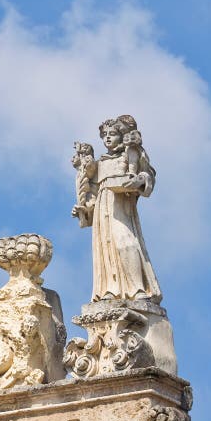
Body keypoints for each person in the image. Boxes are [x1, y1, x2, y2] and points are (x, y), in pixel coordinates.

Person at [72, 115, 162, 303]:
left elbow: (148, 176)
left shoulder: (131, 155)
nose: (107, 138)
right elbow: (93, 193)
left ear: (122, 135)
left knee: (126, 243)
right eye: (104, 135)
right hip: (103, 210)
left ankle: (137, 289)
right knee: (106, 250)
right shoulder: (101, 163)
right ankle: (110, 291)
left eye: (112, 134)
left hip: (122, 206)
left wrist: (137, 180)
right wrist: (85, 209)